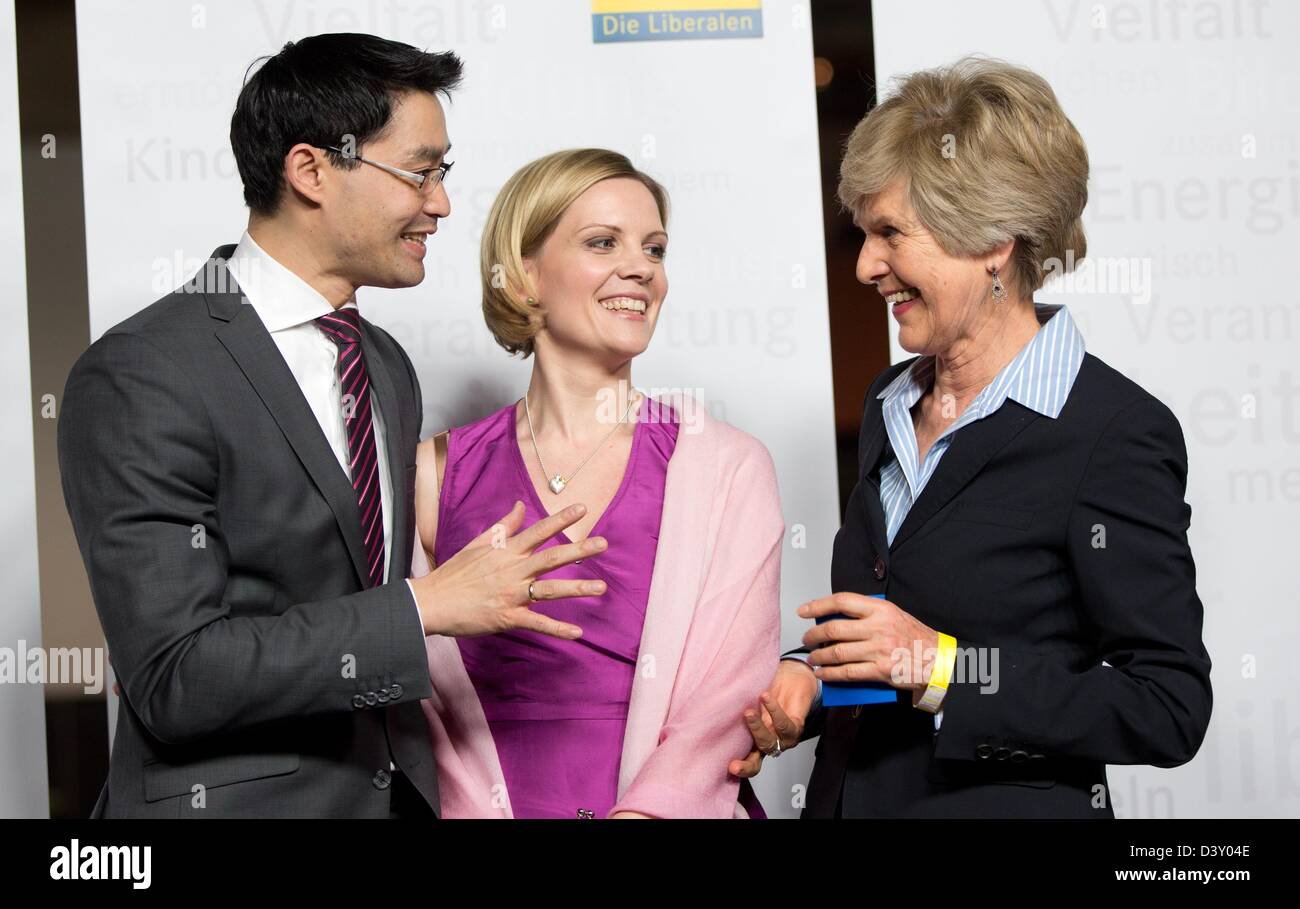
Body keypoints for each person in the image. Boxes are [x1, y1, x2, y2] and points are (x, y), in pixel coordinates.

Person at [59, 33, 601, 818]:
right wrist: (425, 606)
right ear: (311, 169)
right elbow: (176, 675)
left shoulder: (382, 363)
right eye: (420, 172)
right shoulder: (143, 373)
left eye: (442, 174)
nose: (442, 203)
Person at [732, 56, 1212, 818]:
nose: (864, 265)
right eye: (863, 233)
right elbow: (885, 628)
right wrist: (810, 679)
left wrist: (948, 668)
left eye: (891, 233)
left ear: (994, 240)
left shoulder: (1112, 430)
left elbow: (1166, 703)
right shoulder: (889, 398)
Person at [413, 148, 783, 818]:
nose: (641, 267)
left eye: (655, 248)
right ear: (524, 275)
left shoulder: (727, 465)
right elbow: (420, 707)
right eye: (602, 242)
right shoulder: (434, 472)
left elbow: (729, 695)